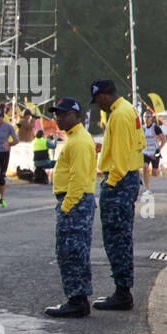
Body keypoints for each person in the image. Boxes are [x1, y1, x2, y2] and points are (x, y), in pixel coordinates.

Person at [88, 79, 143, 311]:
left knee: (116, 238)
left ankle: (122, 293)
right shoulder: (126, 108)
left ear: (103, 96)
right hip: (128, 179)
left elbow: (119, 156)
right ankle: (123, 291)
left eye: (97, 100)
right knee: (121, 237)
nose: (97, 106)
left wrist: (110, 184)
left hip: (119, 181)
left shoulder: (119, 115)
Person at [44, 99, 97, 318]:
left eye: (64, 114)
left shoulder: (79, 141)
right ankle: (78, 299)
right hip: (76, 202)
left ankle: (76, 301)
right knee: (76, 251)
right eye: (57, 114)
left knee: (71, 252)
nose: (59, 118)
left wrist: (66, 207)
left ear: (77, 116)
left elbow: (78, 177)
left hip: (74, 202)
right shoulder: (76, 138)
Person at [141, 110, 160, 193]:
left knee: (155, 173)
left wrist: (159, 148)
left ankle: (158, 169)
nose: (146, 118)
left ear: (151, 118)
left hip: (154, 151)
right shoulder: (142, 128)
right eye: (145, 116)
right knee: (145, 168)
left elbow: (163, 139)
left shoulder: (155, 127)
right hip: (145, 152)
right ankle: (147, 188)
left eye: (148, 117)